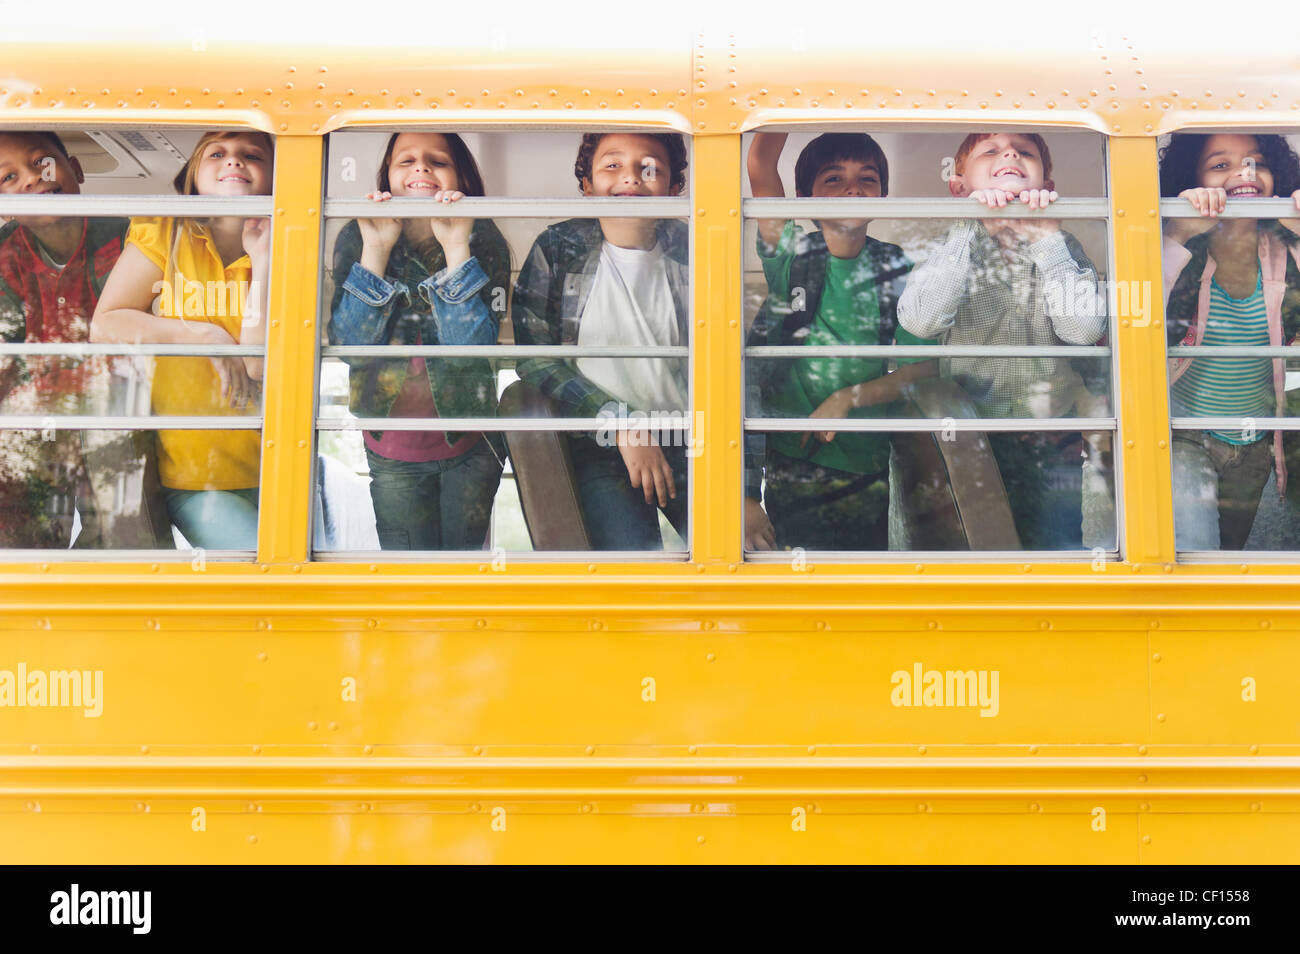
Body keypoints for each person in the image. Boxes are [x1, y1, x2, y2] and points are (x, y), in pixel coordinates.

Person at [897, 132, 1106, 549]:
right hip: (974, 437)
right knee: (981, 556)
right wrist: (969, 224)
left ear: (1046, 189)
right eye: (991, 152)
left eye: (1024, 153)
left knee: (1055, 549)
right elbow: (921, 321)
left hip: (1053, 437)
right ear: (959, 188)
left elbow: (1083, 330)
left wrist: (1046, 238)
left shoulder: (1061, 247)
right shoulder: (950, 247)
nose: (1010, 153)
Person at [743, 132, 937, 551]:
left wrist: (848, 398)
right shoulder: (791, 254)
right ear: (802, 197)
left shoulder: (896, 266)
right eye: (833, 179)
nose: (853, 188)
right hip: (793, 458)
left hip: (869, 458)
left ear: (882, 196)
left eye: (867, 179)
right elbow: (760, 164)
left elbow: (921, 368)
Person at [91, 130, 272, 550]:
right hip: (197, 476)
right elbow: (106, 324)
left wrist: (262, 260)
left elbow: (257, 364)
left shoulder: (288, 244)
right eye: (217, 153)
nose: (234, 162)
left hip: (280, 466)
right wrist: (202, 335)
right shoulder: (165, 232)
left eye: (251, 155)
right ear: (193, 174)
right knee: (260, 579)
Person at [328, 132, 509, 550]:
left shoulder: (484, 239)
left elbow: (470, 351)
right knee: (409, 579)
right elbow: (348, 346)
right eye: (405, 161)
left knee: (459, 575)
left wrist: (456, 248)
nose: (421, 168)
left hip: (471, 446)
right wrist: (375, 249)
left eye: (437, 161)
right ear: (387, 177)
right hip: (391, 453)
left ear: (460, 176)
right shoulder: (357, 237)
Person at [511, 132, 689, 550]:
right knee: (633, 567)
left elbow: (734, 365)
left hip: (689, 438)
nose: (630, 177)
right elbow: (533, 358)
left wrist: (747, 495)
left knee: (742, 554)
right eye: (612, 165)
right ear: (587, 186)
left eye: (650, 168)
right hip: (600, 441)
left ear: (674, 189)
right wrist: (620, 422)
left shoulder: (694, 248)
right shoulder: (558, 247)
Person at [0, 131, 145, 548]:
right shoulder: (5, 258)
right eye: (8, 178)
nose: (31, 178)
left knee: (124, 538)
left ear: (75, 169)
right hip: (34, 429)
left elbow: (134, 350)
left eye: (42, 161)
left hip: (120, 420)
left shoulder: (128, 239)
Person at [1160, 132, 1300, 550]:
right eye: (1220, 165)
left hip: (1257, 439)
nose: (1245, 172)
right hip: (1186, 432)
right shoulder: (1182, 245)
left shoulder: (1285, 249)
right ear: (1192, 180)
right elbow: (1138, 313)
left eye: (1257, 162)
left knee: (1227, 555)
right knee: (1197, 551)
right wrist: (1176, 232)